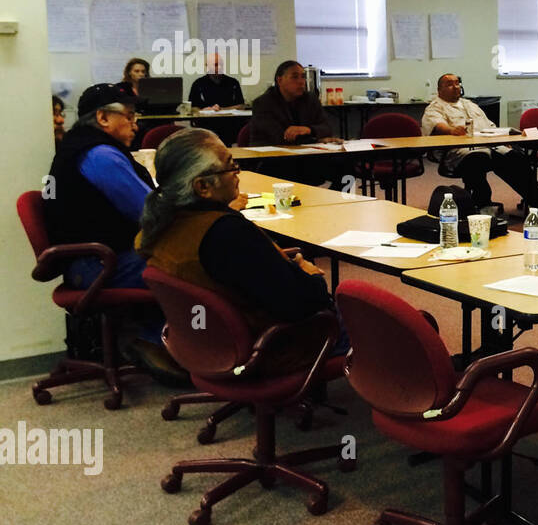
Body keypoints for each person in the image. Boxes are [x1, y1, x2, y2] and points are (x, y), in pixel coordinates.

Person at [137, 128, 346, 372]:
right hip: (270, 346)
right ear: (202, 187)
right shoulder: (226, 233)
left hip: (208, 343)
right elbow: (300, 305)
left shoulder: (161, 222)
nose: (237, 174)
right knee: (376, 327)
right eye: (230, 166)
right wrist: (311, 276)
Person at [45, 83, 155, 291]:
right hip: (99, 266)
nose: (135, 125)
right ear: (103, 118)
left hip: (94, 259)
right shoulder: (101, 155)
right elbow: (152, 213)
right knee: (194, 263)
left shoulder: (80, 144)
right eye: (129, 116)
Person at [420, 73, 538, 219]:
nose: (455, 86)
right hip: (457, 153)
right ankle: (483, 205)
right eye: (449, 84)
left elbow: (489, 126)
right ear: (439, 90)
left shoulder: (470, 105)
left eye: (457, 83)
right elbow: (438, 125)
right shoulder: (435, 108)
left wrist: (503, 137)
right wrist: (452, 130)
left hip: (487, 146)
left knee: (514, 157)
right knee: (478, 159)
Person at [248, 60, 339, 146]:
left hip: (305, 153)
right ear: (280, 80)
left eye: (303, 77)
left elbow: (327, 128)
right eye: (294, 77)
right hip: (270, 156)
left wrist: (309, 130)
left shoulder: (310, 99)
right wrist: (316, 139)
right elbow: (280, 137)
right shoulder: (263, 103)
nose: (301, 82)